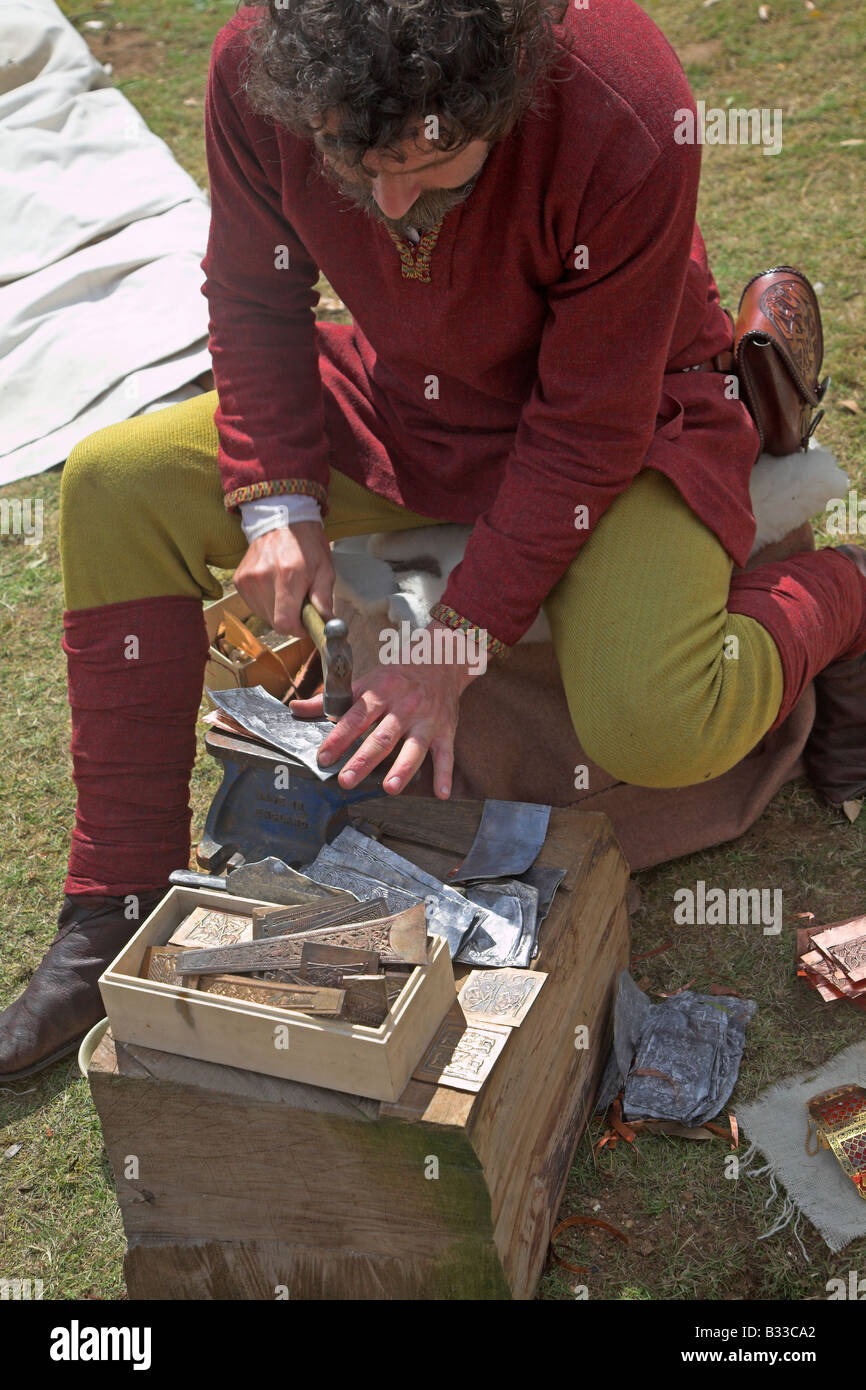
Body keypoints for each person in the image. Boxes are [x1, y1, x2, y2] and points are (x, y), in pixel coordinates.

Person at [2, 0, 863, 1081]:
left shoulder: (620, 92)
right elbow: (256, 292)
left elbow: (586, 427)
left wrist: (454, 642)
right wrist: (276, 501)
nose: (394, 204)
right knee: (114, 483)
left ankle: (843, 594)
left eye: (434, 161)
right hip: (408, 400)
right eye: (355, 165)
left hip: (628, 418)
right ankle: (110, 901)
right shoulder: (260, 59)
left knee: (655, 724)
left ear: (502, 80)